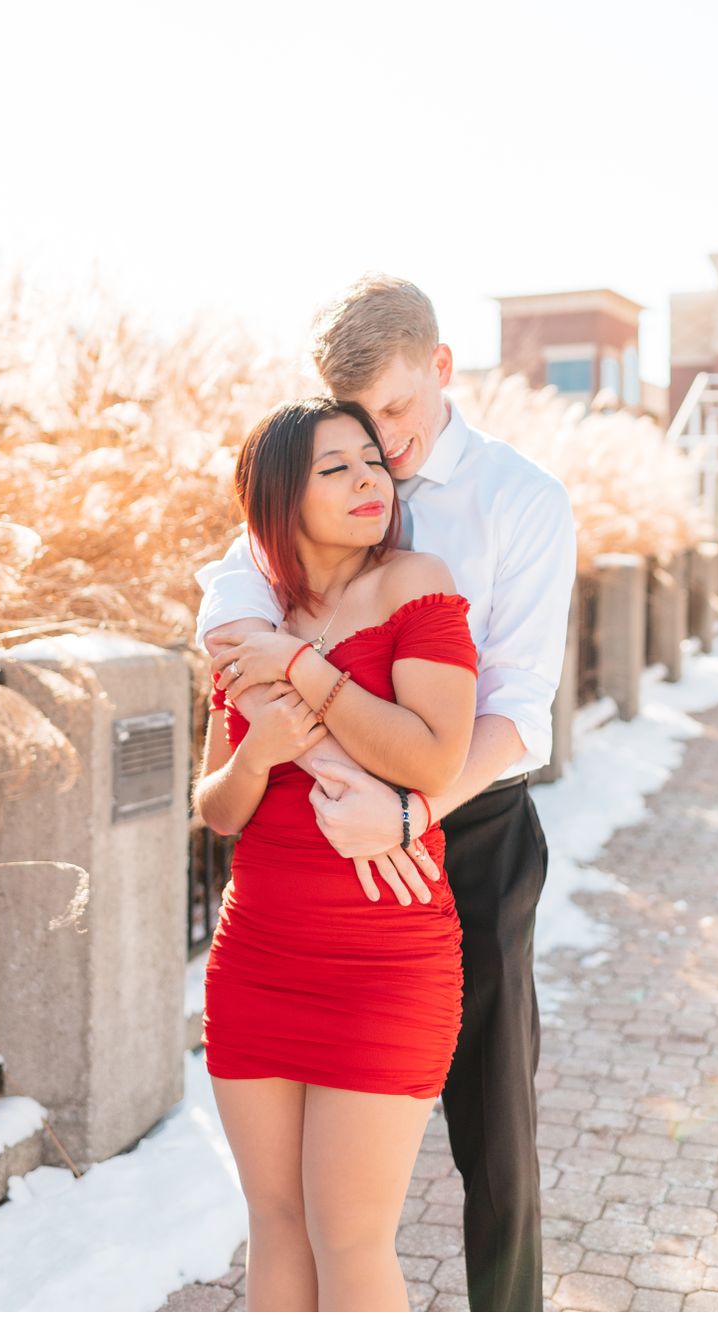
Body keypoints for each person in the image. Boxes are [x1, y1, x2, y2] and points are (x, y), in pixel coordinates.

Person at [196, 274, 577, 1313]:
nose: (384, 447)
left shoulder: (520, 501)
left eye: (399, 416)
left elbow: (519, 711)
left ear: (442, 370)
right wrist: (277, 697)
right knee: (299, 1215)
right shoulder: (337, 493)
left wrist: (405, 809)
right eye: (361, 425)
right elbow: (231, 592)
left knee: (495, 1132)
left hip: (473, 819)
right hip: (306, 875)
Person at [195, 394, 479, 1313]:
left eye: (373, 461)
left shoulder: (415, 582)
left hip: (385, 961)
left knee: (349, 1238)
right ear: (281, 495)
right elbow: (215, 809)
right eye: (337, 468)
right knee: (274, 1222)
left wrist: (303, 667)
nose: (370, 481)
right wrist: (256, 752)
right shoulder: (246, 616)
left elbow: (433, 755)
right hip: (258, 959)